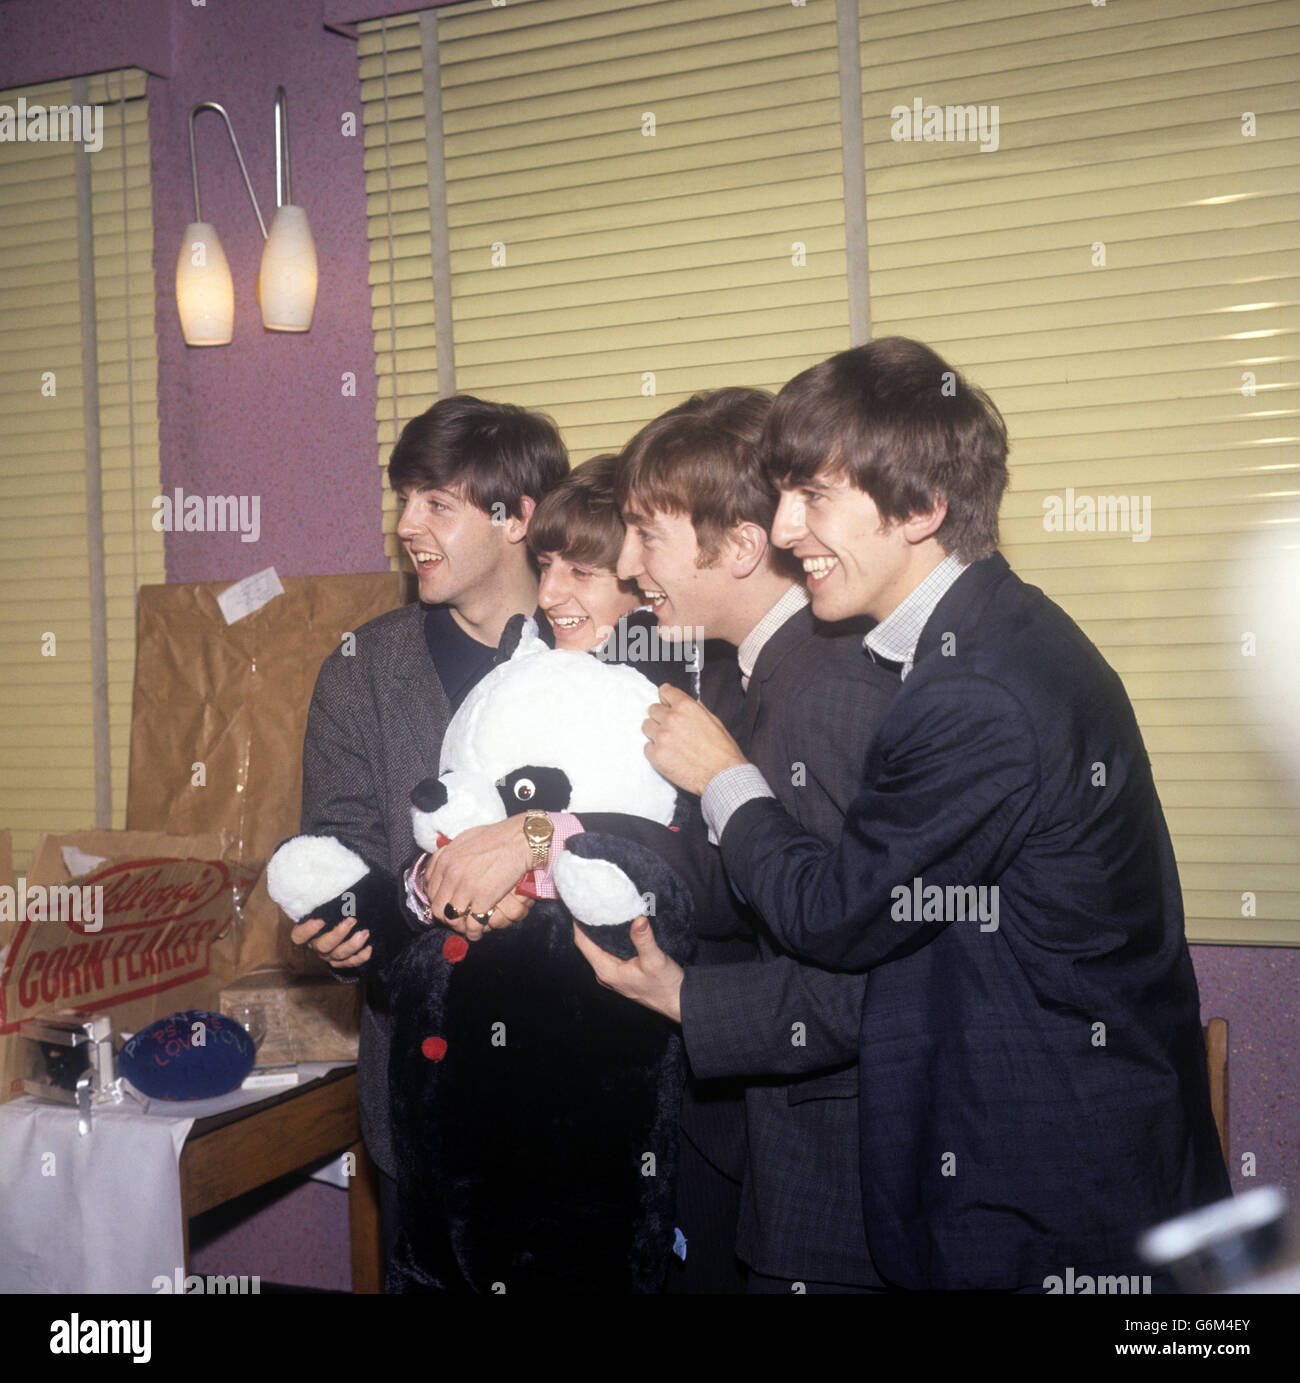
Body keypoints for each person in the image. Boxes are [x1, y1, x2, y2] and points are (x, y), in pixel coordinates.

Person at [640, 336, 1234, 1291]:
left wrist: (723, 776)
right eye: (783, 493)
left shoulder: (978, 689)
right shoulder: (989, 636)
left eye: (814, 495)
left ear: (921, 507)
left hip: (1055, 1184)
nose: (786, 527)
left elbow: (836, 912)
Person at [425, 388, 900, 1293]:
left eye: (642, 539)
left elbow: (833, 940)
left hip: (804, 1150)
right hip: (693, 1116)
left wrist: (546, 837)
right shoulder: (731, 672)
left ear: (740, 546)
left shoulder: (816, 684)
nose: (631, 568)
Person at [292, 393, 568, 1272]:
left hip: (584, 1097)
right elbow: (340, 854)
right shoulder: (359, 672)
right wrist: (343, 926)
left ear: (517, 517)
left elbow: (649, 846)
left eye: (437, 502)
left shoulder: (599, 648)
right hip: (423, 1100)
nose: (407, 524)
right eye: (404, 498)